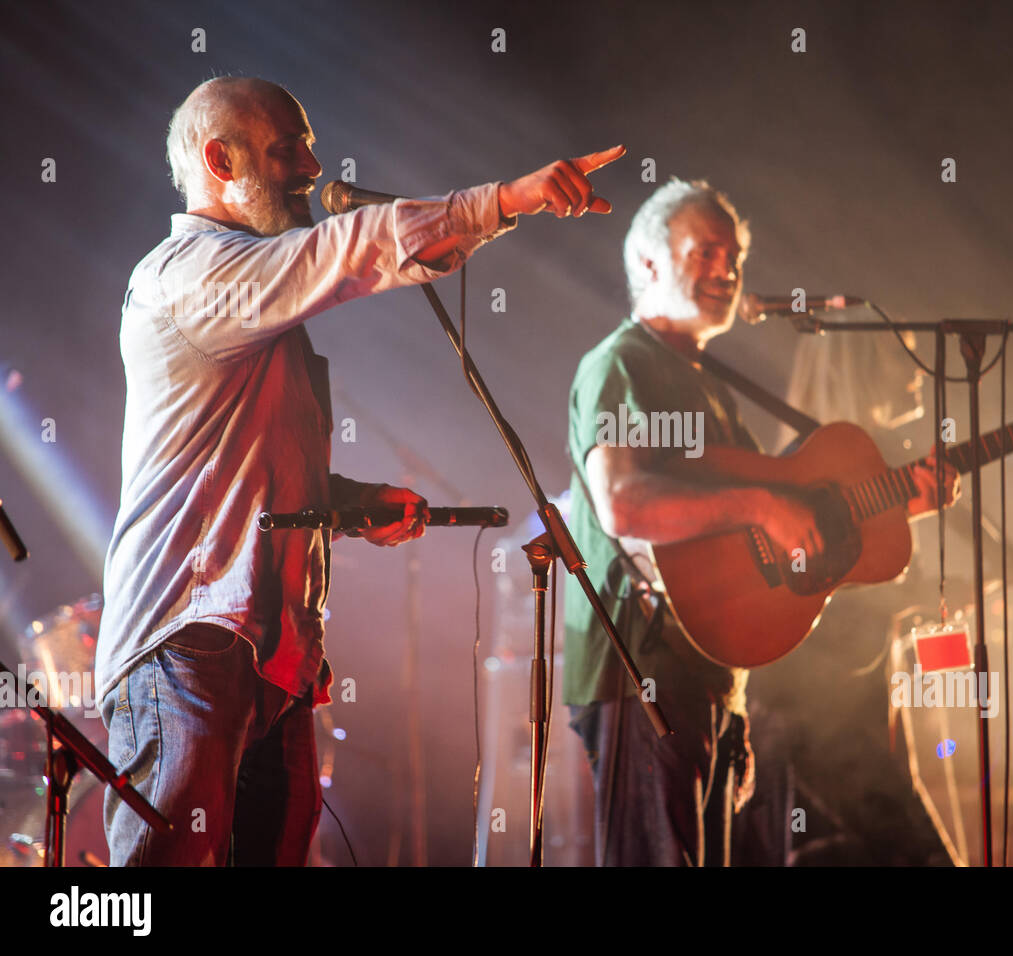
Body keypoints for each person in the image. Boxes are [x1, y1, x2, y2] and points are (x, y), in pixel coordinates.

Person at [95, 75, 623, 866]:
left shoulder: (250, 292)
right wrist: (510, 198)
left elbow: (239, 469)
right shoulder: (192, 275)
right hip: (188, 642)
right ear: (220, 159)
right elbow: (354, 248)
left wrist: (345, 504)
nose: (313, 166)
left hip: (266, 651)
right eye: (286, 150)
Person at [564, 178, 956, 866]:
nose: (729, 269)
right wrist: (761, 504)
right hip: (642, 671)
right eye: (706, 251)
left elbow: (758, 544)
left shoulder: (709, 383)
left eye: (736, 255)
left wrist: (899, 504)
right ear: (649, 264)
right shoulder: (623, 363)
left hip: (711, 676)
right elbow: (623, 505)